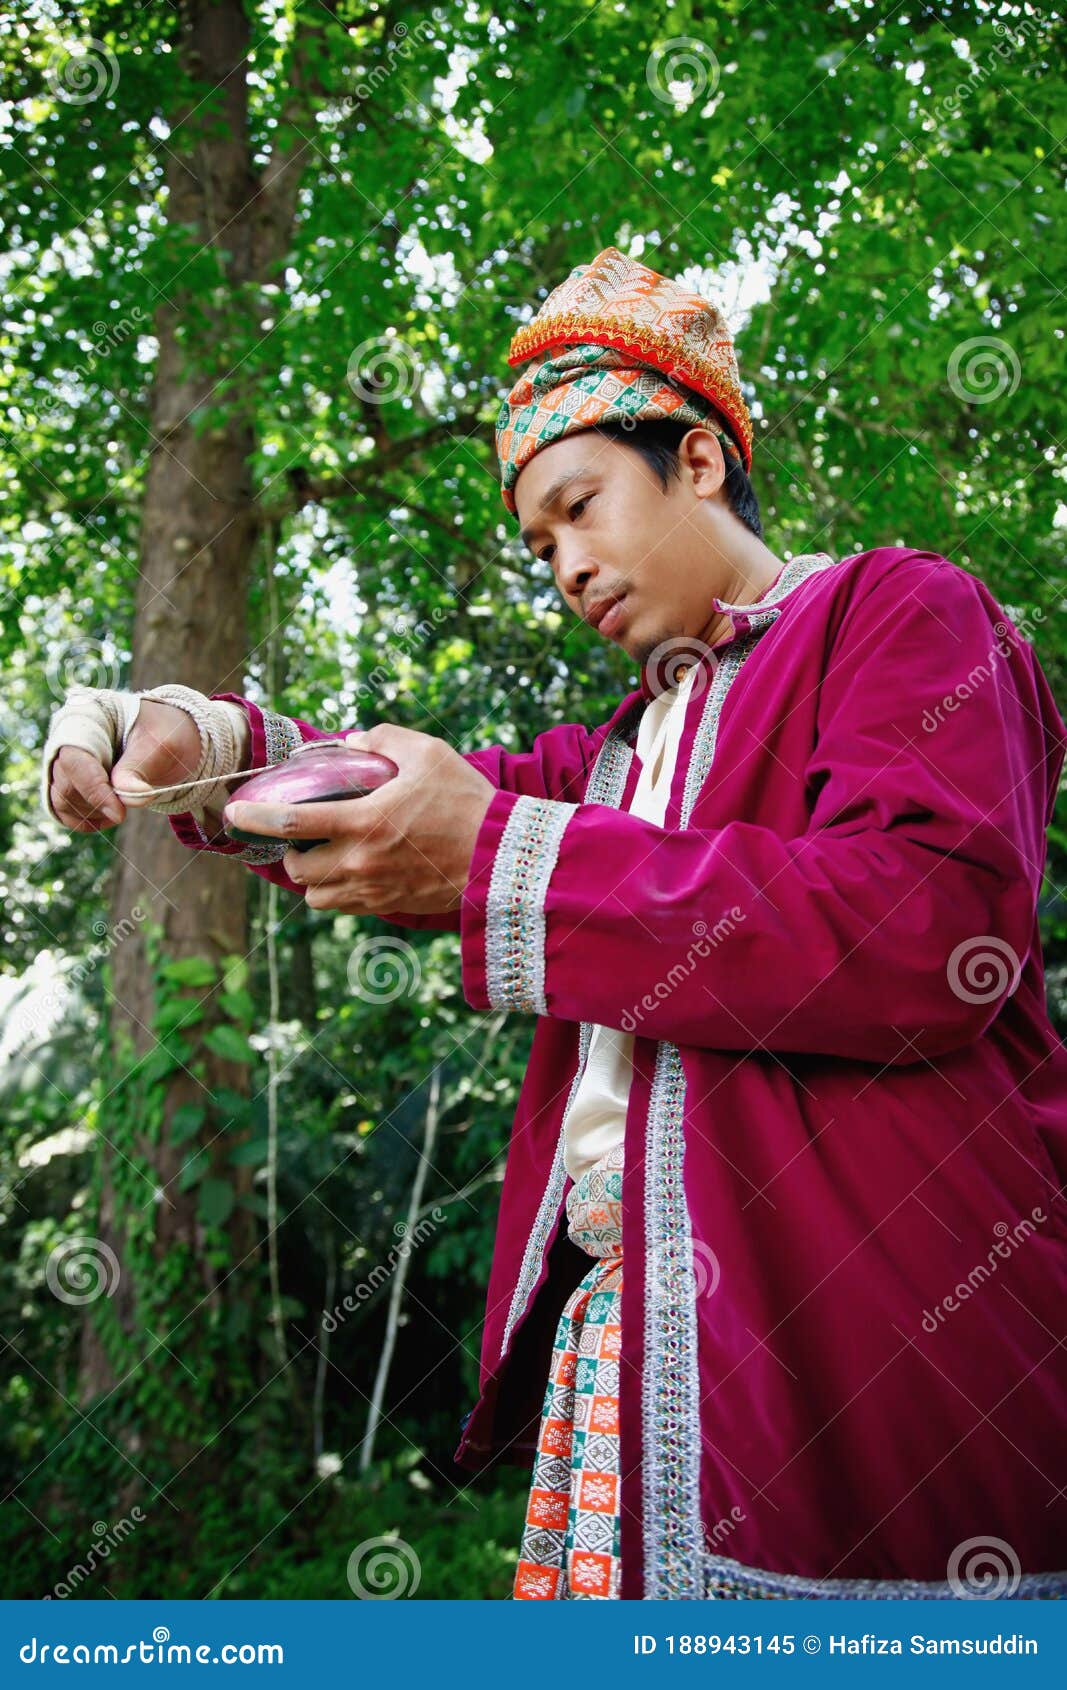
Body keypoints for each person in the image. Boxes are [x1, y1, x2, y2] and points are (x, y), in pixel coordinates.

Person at [42, 247, 1067, 1600]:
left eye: (582, 508)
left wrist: (507, 855)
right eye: (540, 547)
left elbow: (923, 925)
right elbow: (421, 797)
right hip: (639, 1354)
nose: (567, 568)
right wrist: (199, 737)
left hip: (883, 1348)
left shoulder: (900, 613)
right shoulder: (619, 754)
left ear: (698, 459)